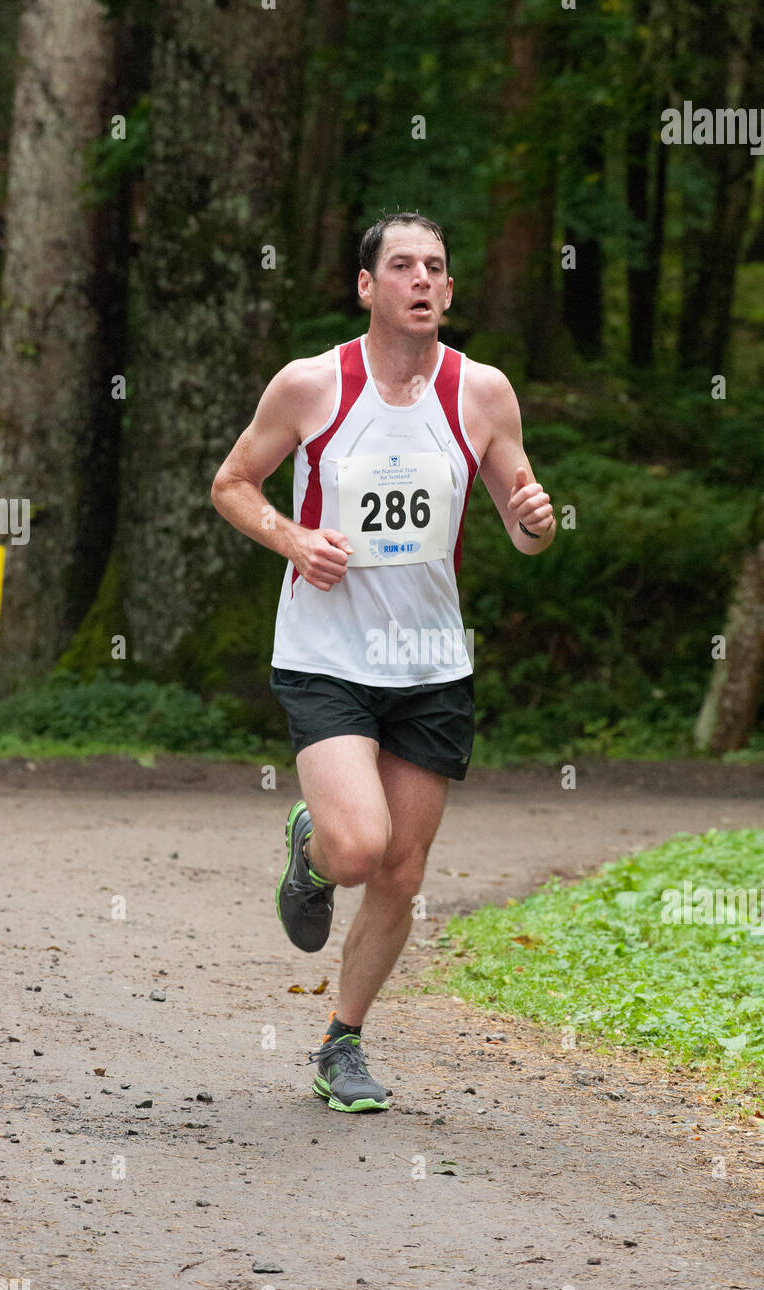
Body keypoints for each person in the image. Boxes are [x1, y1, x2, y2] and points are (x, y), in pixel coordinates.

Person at [211, 211, 555, 1113]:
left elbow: (521, 528)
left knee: (403, 869)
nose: (420, 280)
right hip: (327, 651)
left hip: (432, 661)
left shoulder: (481, 392)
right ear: (367, 286)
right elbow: (231, 484)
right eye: (400, 265)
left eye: (434, 268)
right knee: (360, 847)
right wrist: (292, 540)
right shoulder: (312, 384)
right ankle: (313, 853)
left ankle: (341, 1043)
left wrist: (535, 519)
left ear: (446, 290)